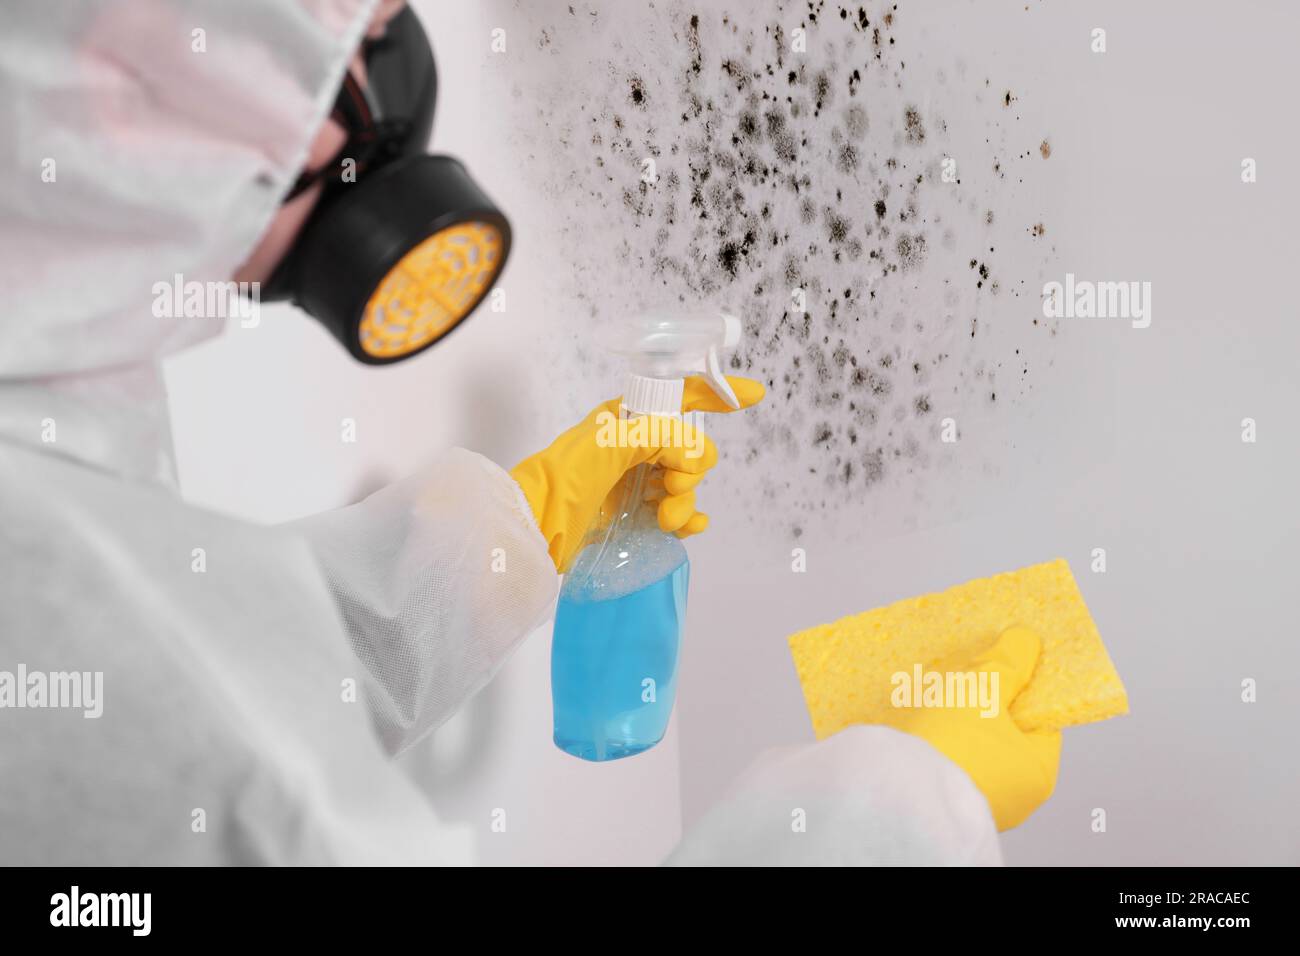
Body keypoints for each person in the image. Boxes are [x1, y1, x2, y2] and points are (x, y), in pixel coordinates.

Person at [0, 0, 1056, 865]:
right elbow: (214, 739)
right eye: (344, 32)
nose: (390, 51)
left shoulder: (56, 396)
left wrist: (512, 528)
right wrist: (900, 809)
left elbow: (228, 651)